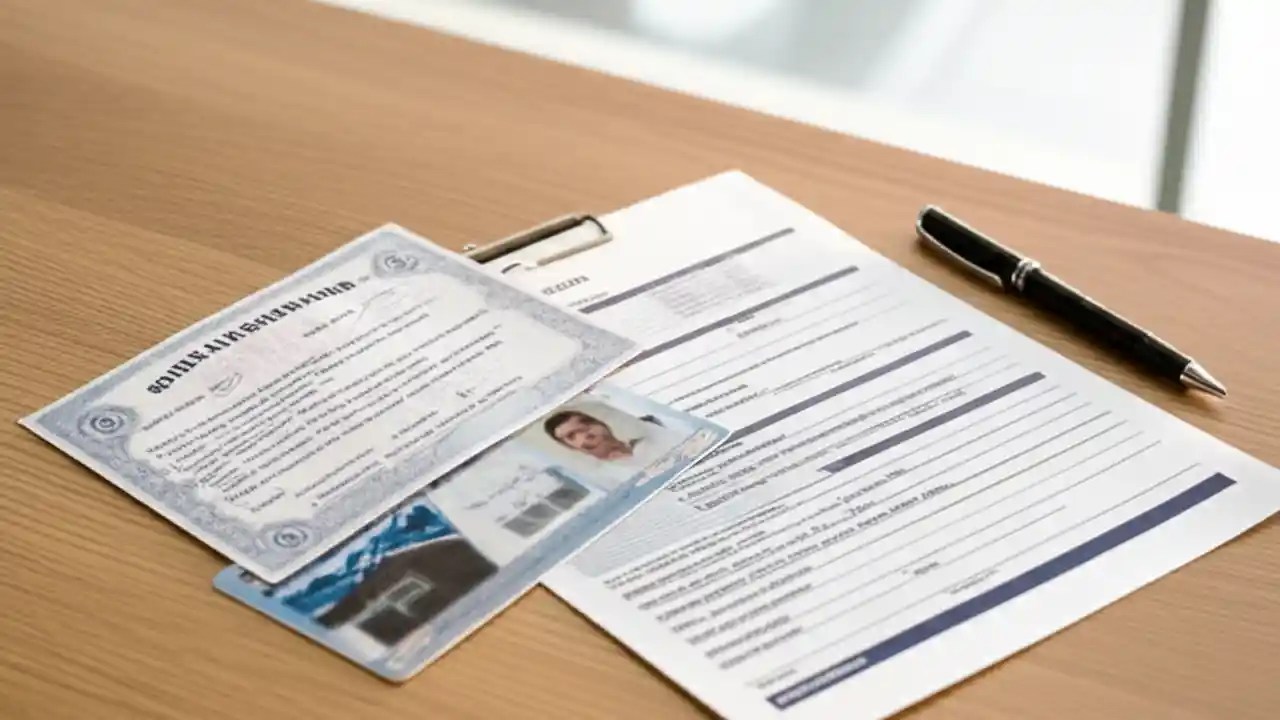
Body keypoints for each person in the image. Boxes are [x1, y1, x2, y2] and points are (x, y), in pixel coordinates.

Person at [542, 409, 678, 488]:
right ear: (569, 447)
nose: (587, 434)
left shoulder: (651, 435)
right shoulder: (604, 479)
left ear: (602, 424)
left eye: (587, 424)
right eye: (572, 436)